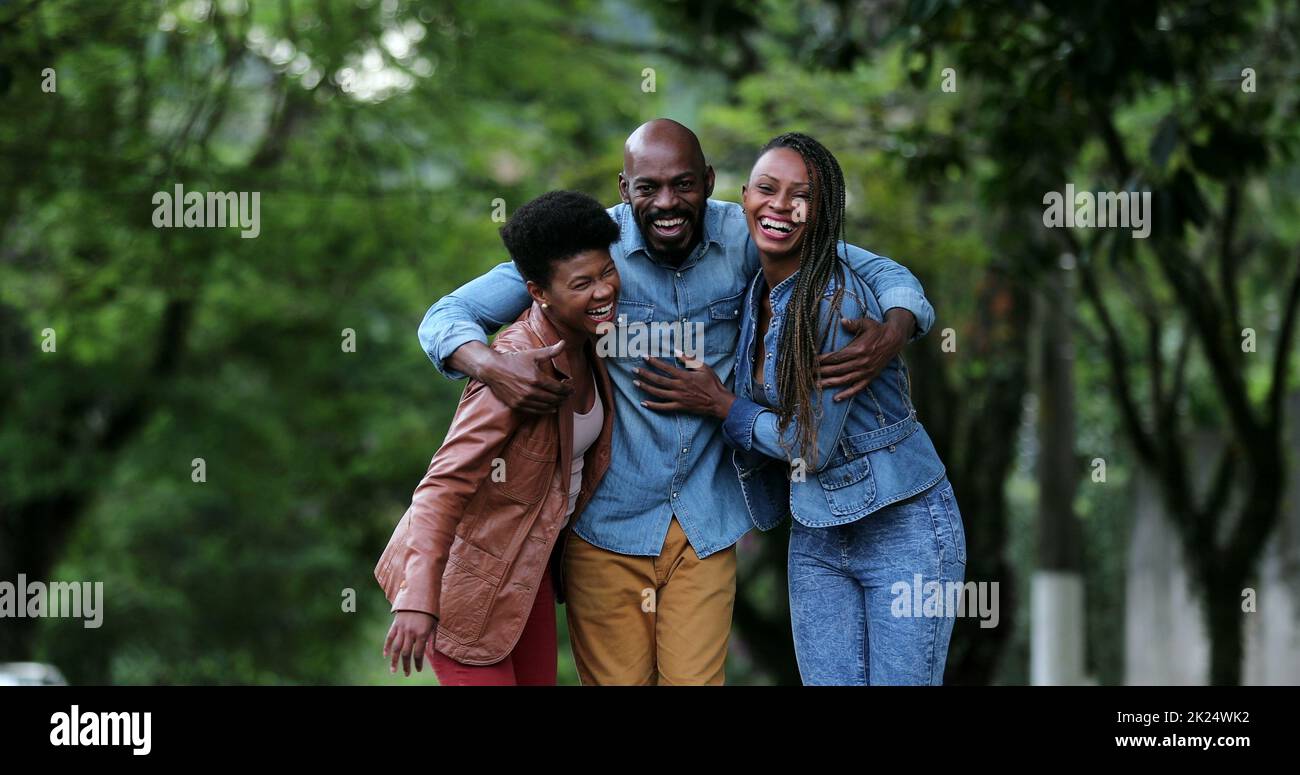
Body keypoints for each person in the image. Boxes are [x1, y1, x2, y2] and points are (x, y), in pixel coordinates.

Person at [416, 119, 935, 685]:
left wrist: (893, 330)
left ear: (709, 182)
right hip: (607, 526)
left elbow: (881, 270)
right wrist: (492, 365)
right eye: (648, 187)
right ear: (623, 188)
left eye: (683, 185)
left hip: (706, 523)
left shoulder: (749, 234)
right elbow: (445, 316)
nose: (667, 202)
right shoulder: (589, 253)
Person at [633, 133, 965, 685]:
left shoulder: (837, 303)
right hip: (817, 528)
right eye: (766, 189)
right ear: (743, 198)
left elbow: (807, 445)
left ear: (825, 211)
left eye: (800, 195)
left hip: (902, 526)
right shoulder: (752, 280)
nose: (780, 206)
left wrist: (721, 404)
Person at [375, 190, 620, 685]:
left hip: (523, 578)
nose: (603, 291)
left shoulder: (589, 341)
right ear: (538, 292)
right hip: (462, 585)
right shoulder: (515, 369)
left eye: (606, 273)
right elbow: (443, 483)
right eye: (582, 283)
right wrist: (418, 595)